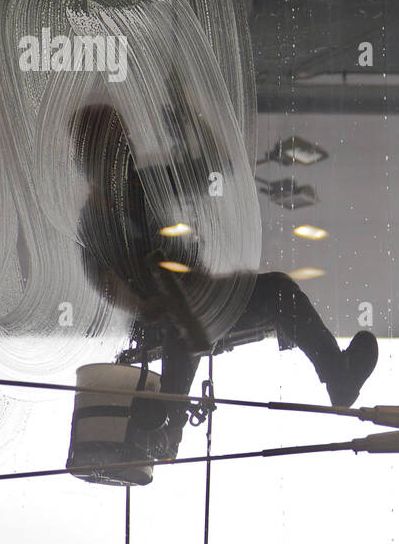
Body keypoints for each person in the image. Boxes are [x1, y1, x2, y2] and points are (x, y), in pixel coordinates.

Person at [69, 103, 377, 459]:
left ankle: (336, 376)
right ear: (96, 155)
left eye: (124, 140)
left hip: (195, 302)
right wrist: (143, 305)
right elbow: (103, 278)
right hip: (170, 314)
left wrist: (189, 121)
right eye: (118, 142)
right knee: (195, 322)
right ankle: (168, 428)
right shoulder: (101, 216)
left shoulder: (142, 187)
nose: (129, 147)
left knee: (273, 292)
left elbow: (212, 167)